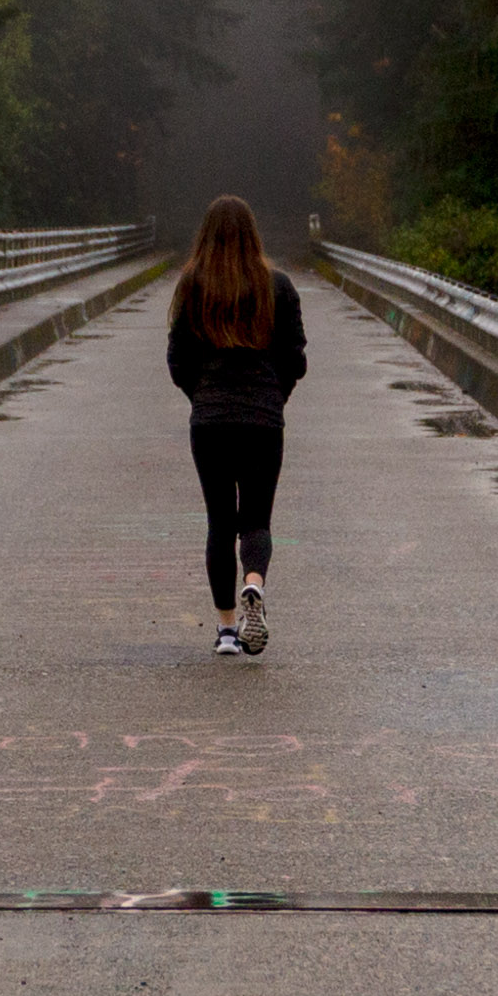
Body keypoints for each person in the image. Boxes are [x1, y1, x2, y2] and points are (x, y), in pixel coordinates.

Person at [164, 194, 304, 654]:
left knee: (220, 524)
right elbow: (294, 360)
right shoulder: (277, 287)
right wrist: (274, 397)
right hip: (264, 422)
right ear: (253, 234)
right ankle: (255, 584)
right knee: (257, 521)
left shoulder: (191, 288)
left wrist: (201, 397)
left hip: (210, 424)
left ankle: (226, 632)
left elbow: (178, 361)